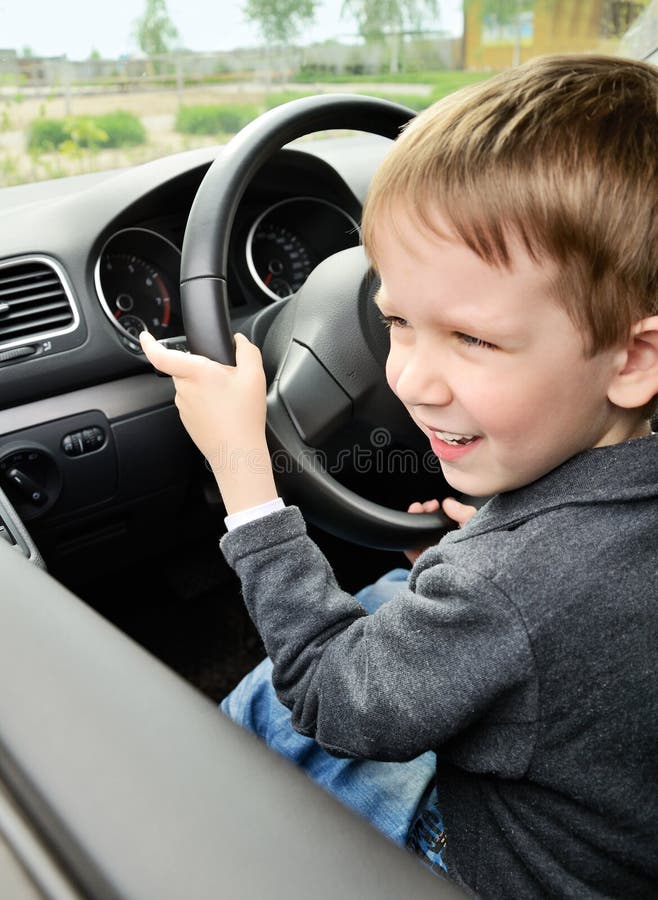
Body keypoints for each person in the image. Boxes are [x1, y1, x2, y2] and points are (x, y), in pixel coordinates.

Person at [140, 53, 658, 899]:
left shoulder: (506, 589)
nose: (408, 379)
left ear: (635, 358)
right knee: (392, 589)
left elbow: (328, 694)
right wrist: (490, 533)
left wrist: (243, 470)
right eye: (395, 322)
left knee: (264, 710)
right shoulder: (541, 562)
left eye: (475, 339)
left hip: (487, 861)